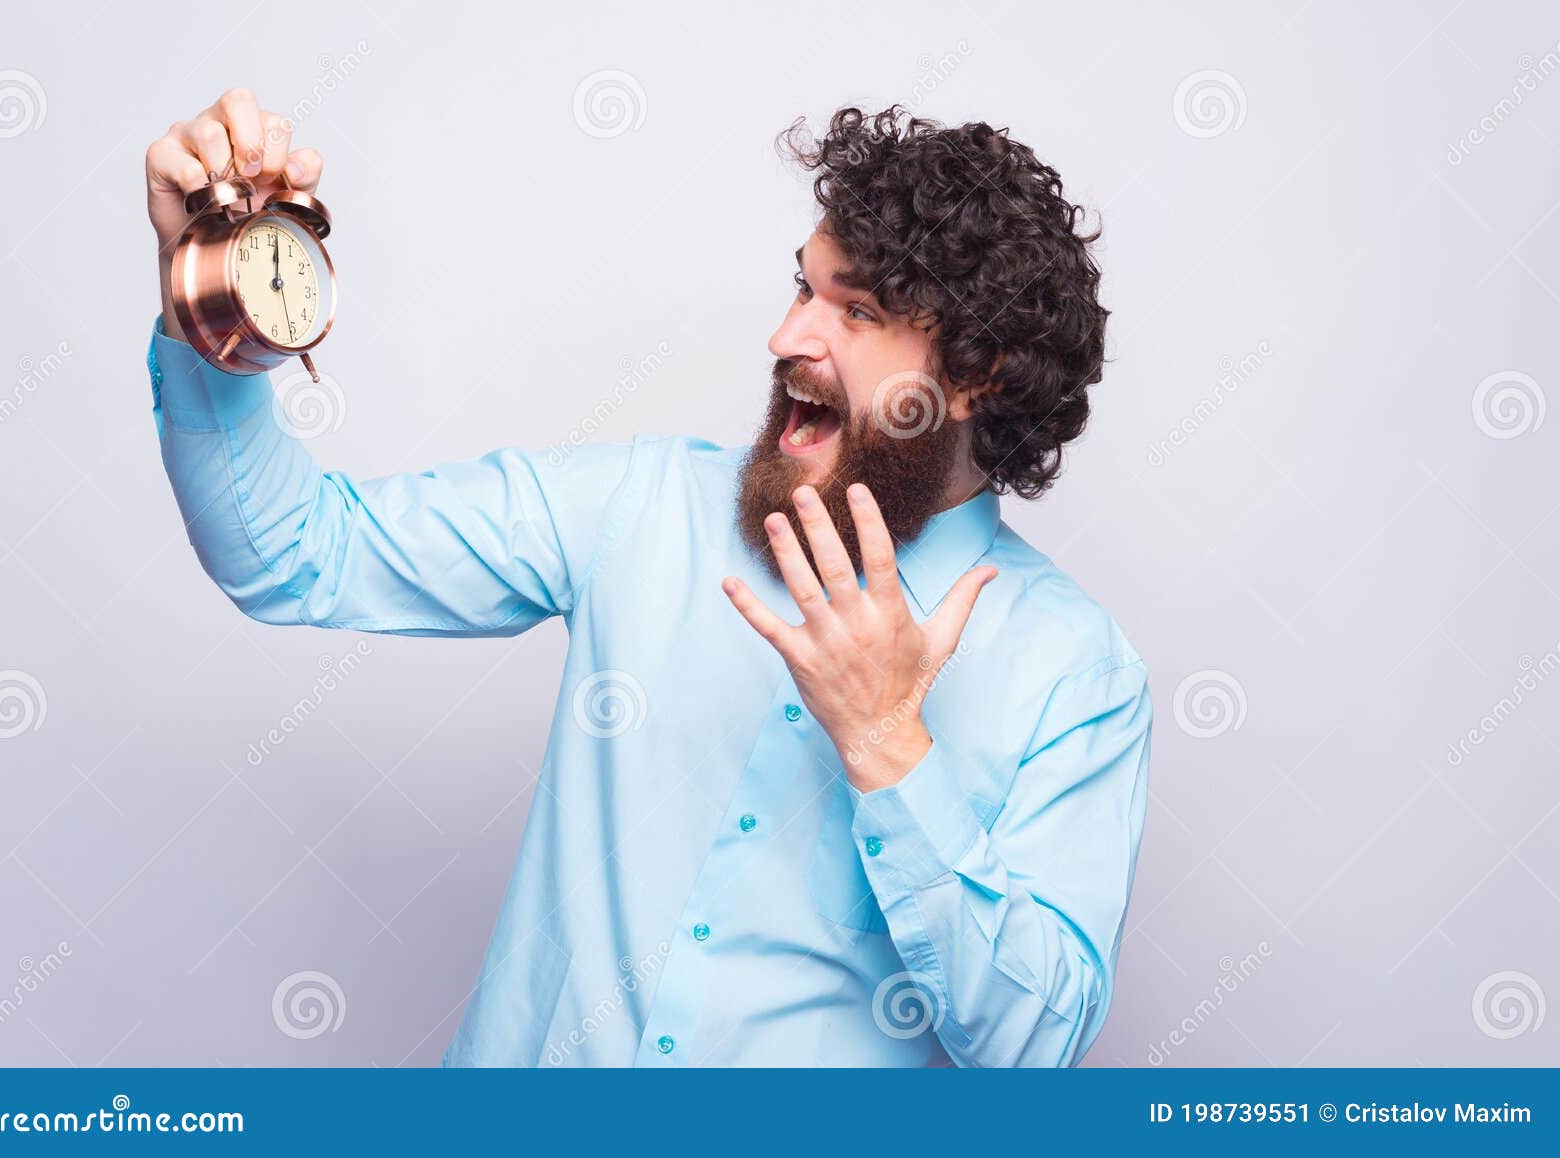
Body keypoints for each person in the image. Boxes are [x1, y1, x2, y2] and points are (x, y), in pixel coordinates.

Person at [143, 88, 1153, 1066]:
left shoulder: (1074, 671)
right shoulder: (643, 504)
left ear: (977, 377)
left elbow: (1033, 1045)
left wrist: (890, 746)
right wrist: (216, 289)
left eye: (856, 312)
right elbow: (291, 553)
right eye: (805, 287)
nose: (787, 337)